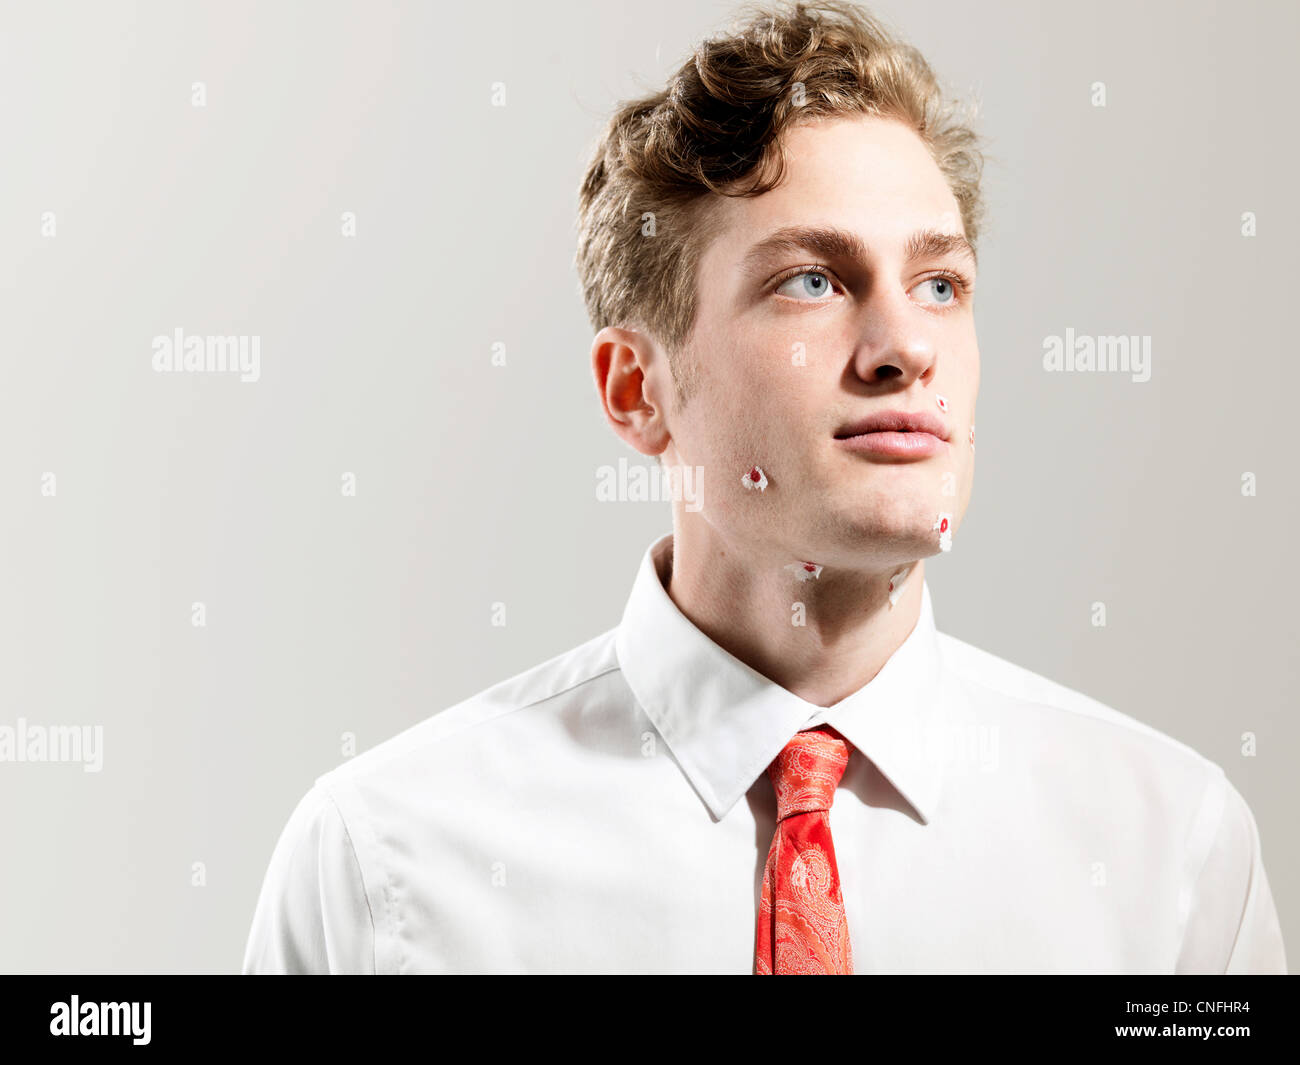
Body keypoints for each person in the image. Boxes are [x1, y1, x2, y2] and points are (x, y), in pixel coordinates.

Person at [242, 0, 1286, 974]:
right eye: (812, 281)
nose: (902, 348)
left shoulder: (1169, 856)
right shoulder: (385, 866)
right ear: (636, 390)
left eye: (938, 284)